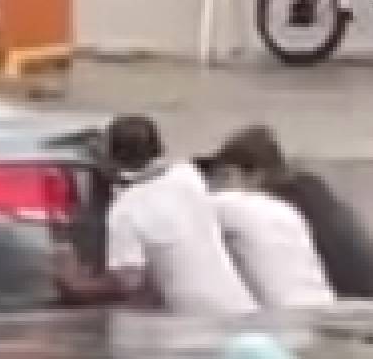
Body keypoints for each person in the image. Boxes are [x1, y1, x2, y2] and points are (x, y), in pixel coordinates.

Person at [60, 115, 258, 317]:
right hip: (242, 308)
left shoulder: (126, 211)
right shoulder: (188, 176)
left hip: (200, 319)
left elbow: (129, 282)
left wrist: (73, 276)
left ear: (112, 159)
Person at [212, 126, 373, 301]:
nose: (219, 187)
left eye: (226, 177)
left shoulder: (280, 207)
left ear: (256, 175)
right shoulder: (310, 194)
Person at [198, 153, 336, 313]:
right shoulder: (283, 207)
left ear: (227, 174)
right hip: (323, 308)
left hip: (283, 318)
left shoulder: (221, 205)